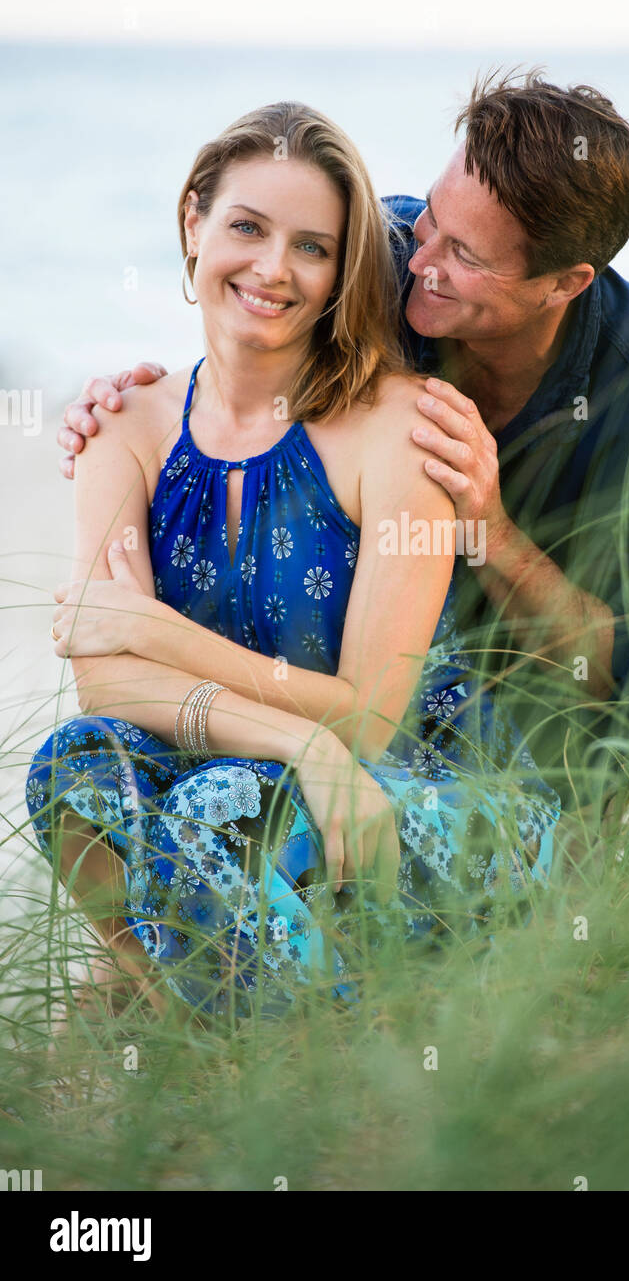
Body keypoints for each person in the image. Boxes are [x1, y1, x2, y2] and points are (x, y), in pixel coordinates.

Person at [58, 69, 629, 816]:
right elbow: (248, 331)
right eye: (431, 216)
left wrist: (488, 529)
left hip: (539, 746)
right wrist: (136, 403)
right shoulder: (382, 258)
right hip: (320, 701)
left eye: (465, 254)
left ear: (564, 283)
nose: (418, 262)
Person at [27, 99, 562, 1023]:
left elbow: (369, 718)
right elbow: (107, 686)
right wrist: (297, 737)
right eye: (246, 227)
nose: (273, 269)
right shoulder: (129, 423)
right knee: (73, 764)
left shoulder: (401, 431)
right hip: (278, 765)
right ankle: (180, 1007)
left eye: (312, 247)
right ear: (194, 222)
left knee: (218, 803)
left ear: (338, 273)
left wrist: (158, 632)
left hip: (427, 785)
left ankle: (304, 1047)